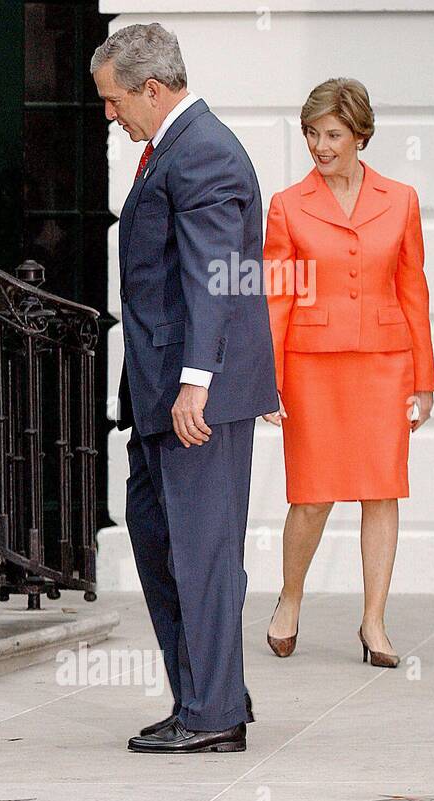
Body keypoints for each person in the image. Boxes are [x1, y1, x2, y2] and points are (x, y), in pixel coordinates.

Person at [91, 23, 278, 753]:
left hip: (193, 395)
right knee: (163, 540)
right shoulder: (174, 148)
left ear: (151, 88)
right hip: (160, 392)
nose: (111, 115)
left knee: (199, 552)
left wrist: (197, 382)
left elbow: (215, 281)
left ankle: (212, 715)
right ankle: (205, 697)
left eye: (114, 101)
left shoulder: (202, 153)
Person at [261, 78, 434, 668]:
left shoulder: (403, 199)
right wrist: (268, 376)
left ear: (360, 135)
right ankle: (289, 598)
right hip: (311, 369)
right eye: (311, 133)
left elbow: (413, 289)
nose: (319, 144)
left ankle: (374, 623)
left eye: (332, 134)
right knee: (311, 496)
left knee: (382, 492)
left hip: (386, 365)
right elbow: (275, 297)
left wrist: (424, 378)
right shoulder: (287, 205)